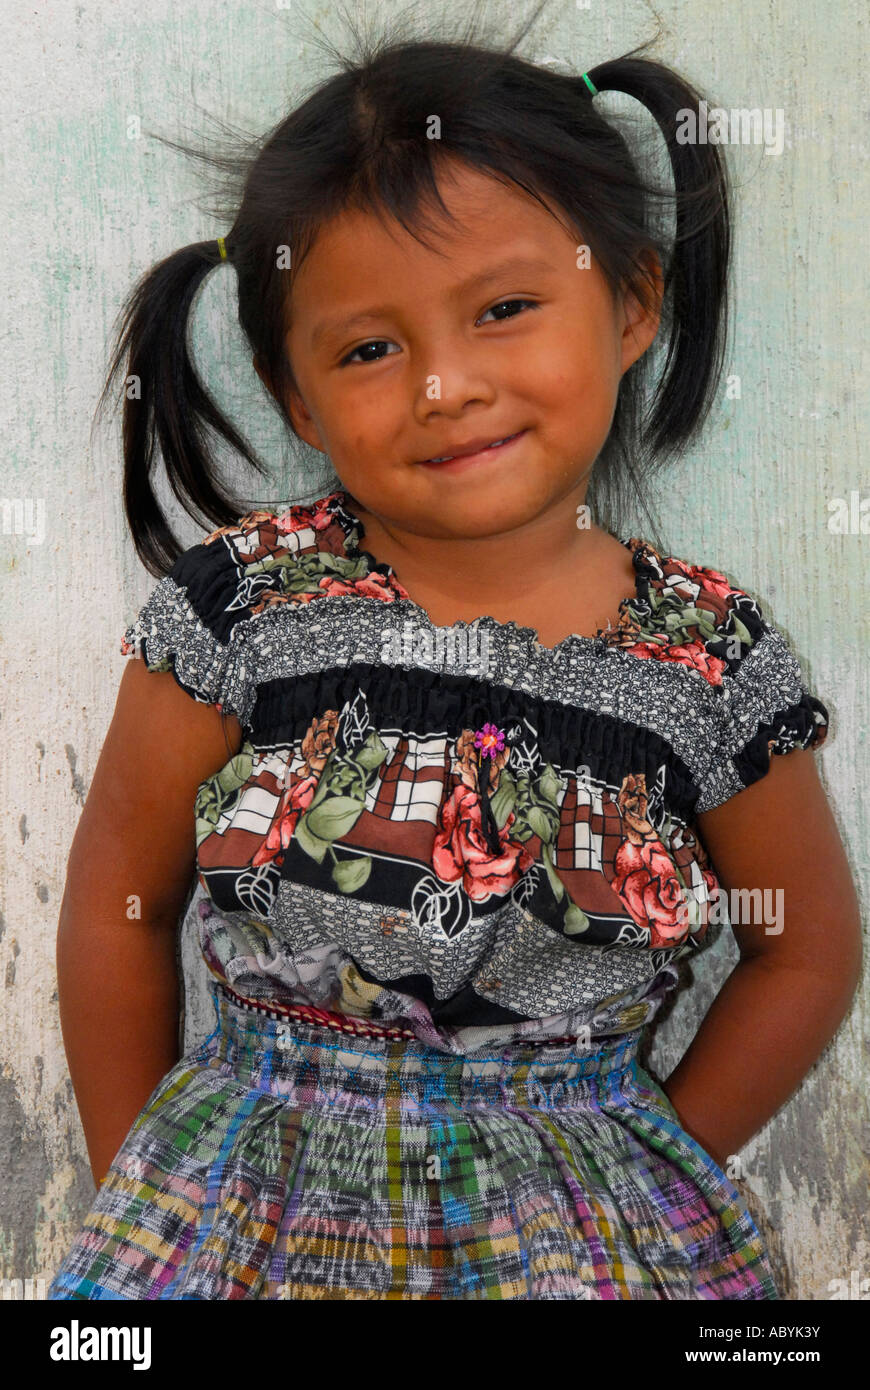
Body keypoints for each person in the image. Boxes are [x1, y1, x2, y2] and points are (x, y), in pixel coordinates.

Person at [48, 26, 860, 1301]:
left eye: (504, 310)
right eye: (369, 348)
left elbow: (806, 947)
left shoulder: (707, 659)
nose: (443, 384)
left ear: (633, 301)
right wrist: (142, 1188)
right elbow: (114, 906)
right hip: (243, 1214)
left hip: (582, 1236)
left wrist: (653, 1166)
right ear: (298, 397)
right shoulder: (244, 609)